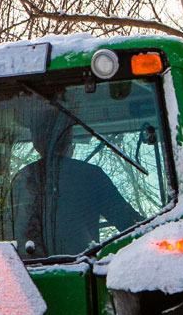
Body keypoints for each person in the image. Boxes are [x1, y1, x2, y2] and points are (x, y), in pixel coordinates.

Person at [8, 103, 142, 256]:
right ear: (69, 138)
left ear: (36, 142)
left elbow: (6, 233)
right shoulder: (90, 177)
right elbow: (130, 224)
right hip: (82, 268)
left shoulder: (21, 180)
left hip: (27, 270)